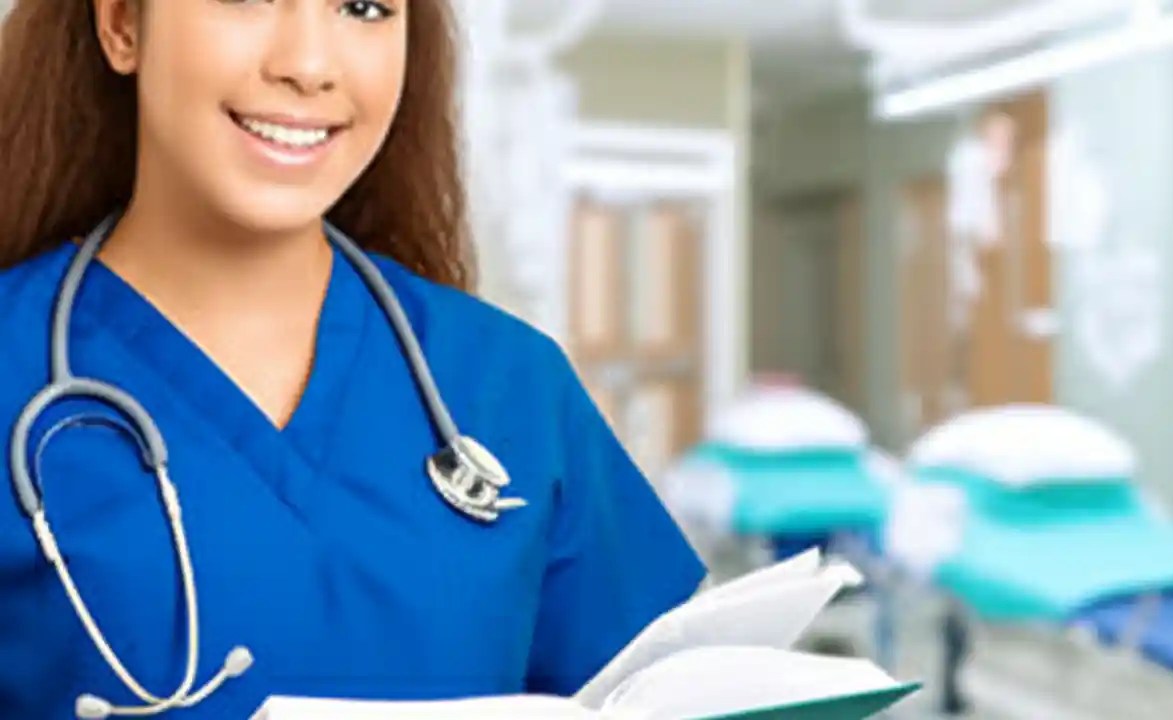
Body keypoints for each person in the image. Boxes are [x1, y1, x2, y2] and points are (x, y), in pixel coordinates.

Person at [0, 1, 706, 718]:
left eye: (364, 7)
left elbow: (662, 692)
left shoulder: (509, 385)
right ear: (122, 24)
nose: (308, 66)